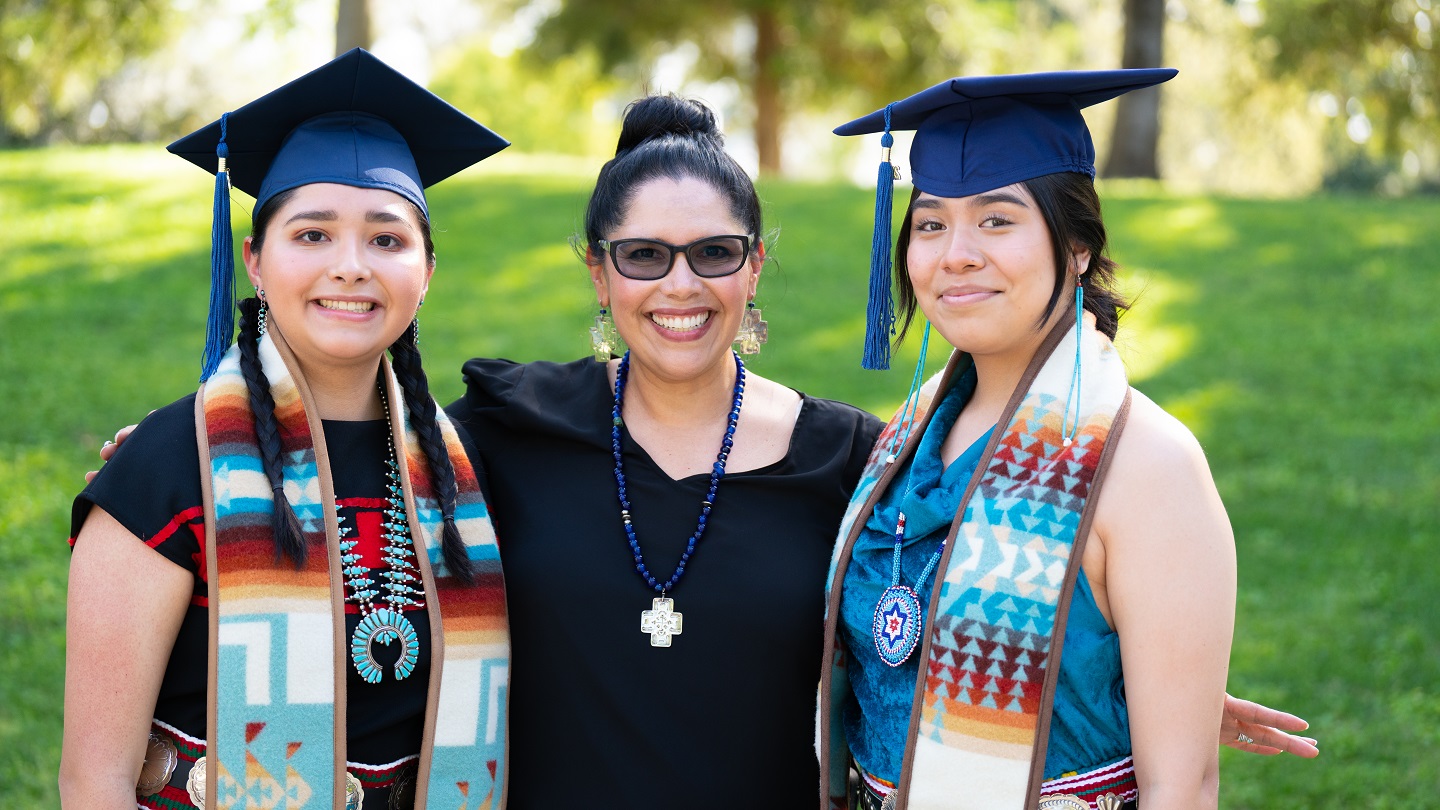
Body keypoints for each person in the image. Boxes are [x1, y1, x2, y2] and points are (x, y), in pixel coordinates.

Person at [88, 88, 1315, 810]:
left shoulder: (858, 461)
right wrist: (177, 454)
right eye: (642, 256)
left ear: (757, 265)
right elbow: (344, 501)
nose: (680, 285)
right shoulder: (494, 445)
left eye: (714, 252)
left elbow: (953, 602)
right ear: (598, 273)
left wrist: (1144, 675)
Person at [62, 50, 510, 810]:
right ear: (256, 263)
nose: (350, 266)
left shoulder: (461, 473)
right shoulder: (173, 464)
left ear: (426, 272)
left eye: (387, 238)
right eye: (311, 235)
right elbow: (94, 779)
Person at [818, 69, 1248, 810]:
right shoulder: (907, 442)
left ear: (1077, 245)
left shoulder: (1149, 466)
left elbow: (1184, 788)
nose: (955, 254)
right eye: (930, 223)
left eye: (995, 220)